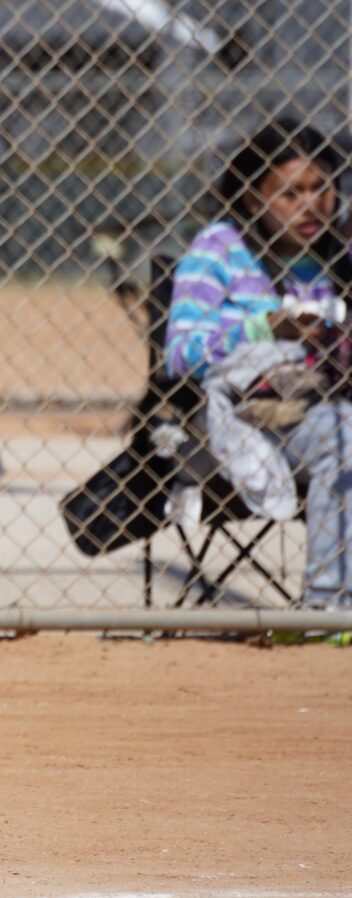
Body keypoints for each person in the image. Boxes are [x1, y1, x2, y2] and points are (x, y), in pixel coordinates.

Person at [164, 119, 352, 610]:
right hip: (241, 418)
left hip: (322, 408)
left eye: (320, 188)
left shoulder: (339, 259)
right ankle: (329, 604)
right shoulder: (221, 250)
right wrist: (264, 329)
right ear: (253, 199)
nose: (310, 205)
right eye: (289, 194)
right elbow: (180, 354)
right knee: (344, 431)